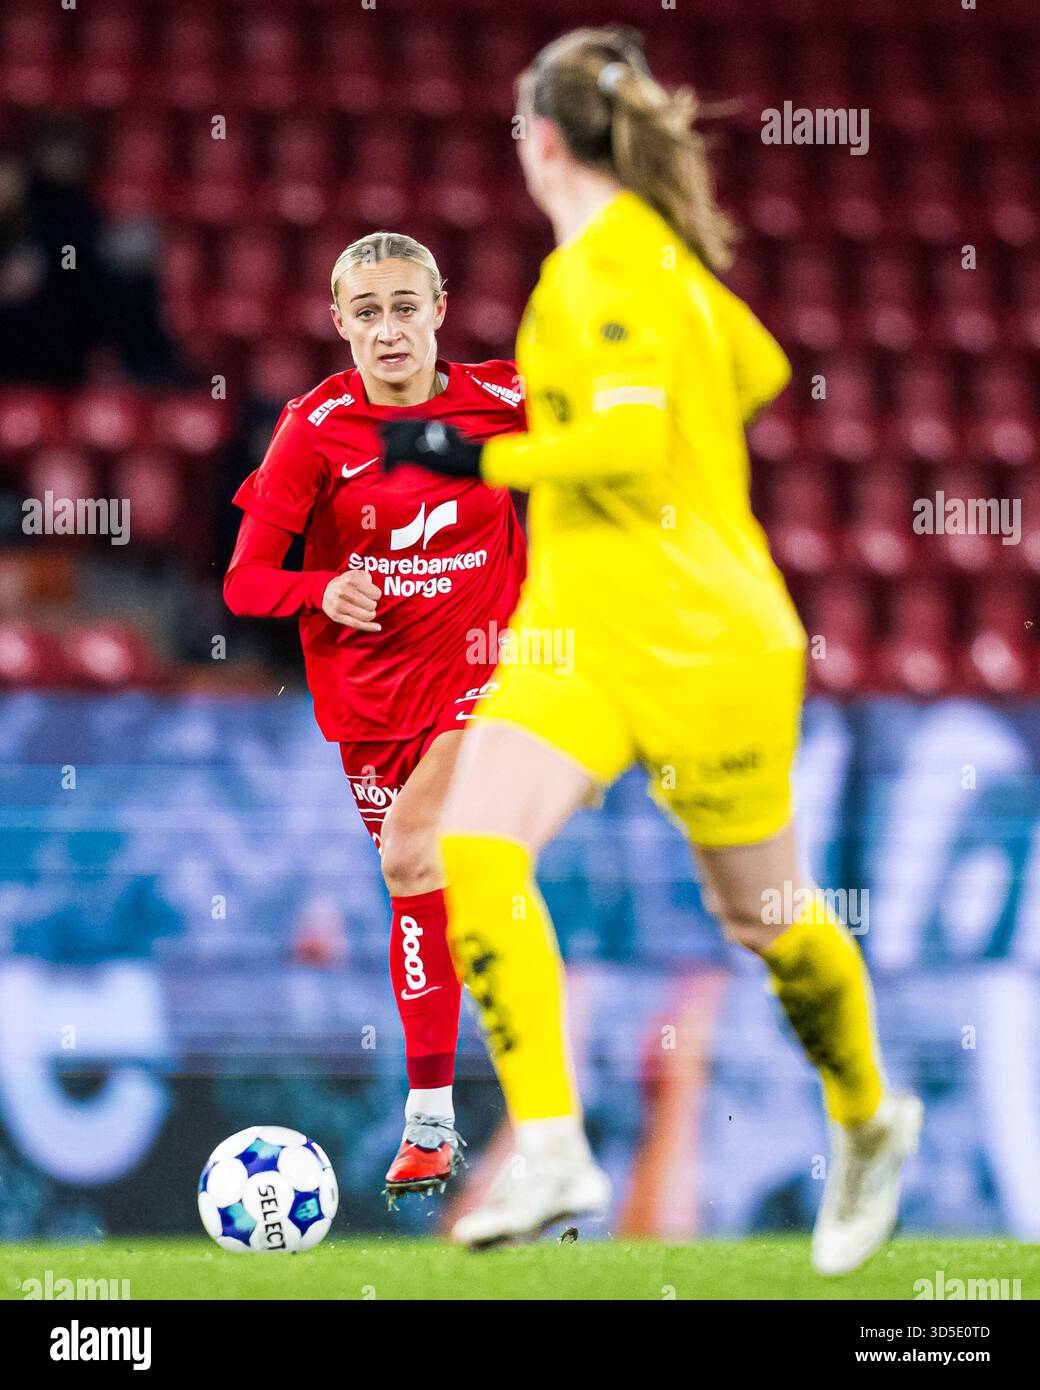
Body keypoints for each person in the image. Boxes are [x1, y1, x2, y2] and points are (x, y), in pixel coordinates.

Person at [382, 27, 921, 1271]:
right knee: (474, 844)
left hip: (701, 643)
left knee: (766, 919)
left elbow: (625, 448)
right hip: (579, 635)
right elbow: (759, 365)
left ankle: (868, 1115)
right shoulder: (653, 267)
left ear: (545, 139)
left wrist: (475, 456)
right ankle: (555, 1144)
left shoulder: (608, 273)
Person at [225, 232, 526, 1198]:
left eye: (405, 306)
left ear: (440, 307)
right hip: (372, 703)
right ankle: (470, 1130)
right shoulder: (314, 428)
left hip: (492, 669)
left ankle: (430, 1120)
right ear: (339, 322)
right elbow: (244, 584)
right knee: (427, 893)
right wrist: (322, 588)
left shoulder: (505, 400)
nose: (389, 330)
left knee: (408, 852)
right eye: (368, 312)